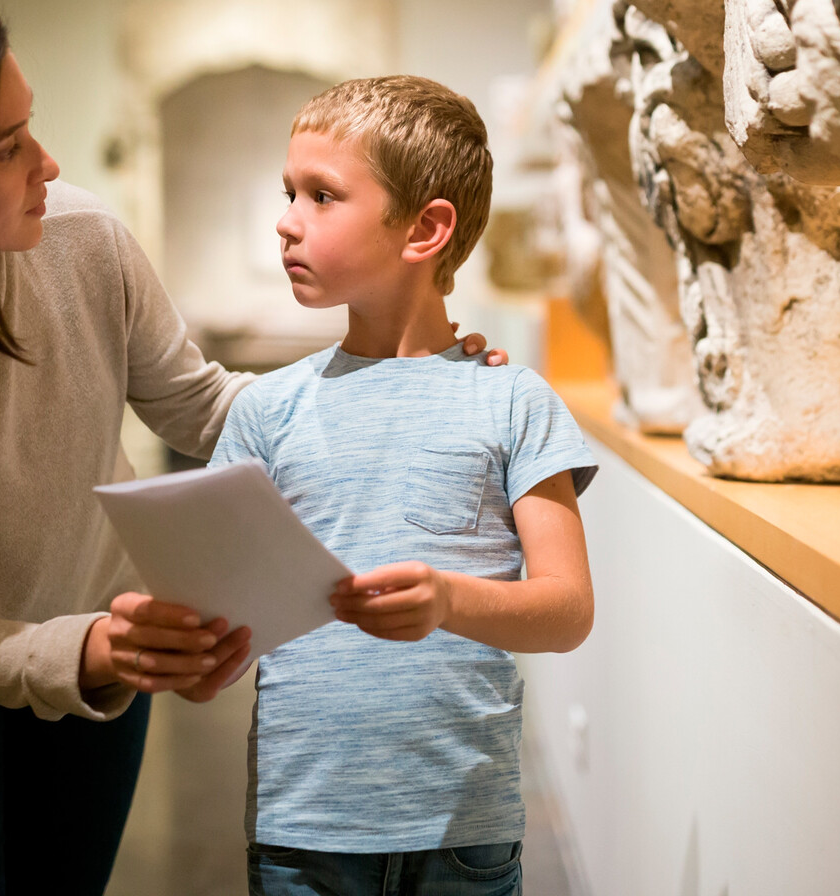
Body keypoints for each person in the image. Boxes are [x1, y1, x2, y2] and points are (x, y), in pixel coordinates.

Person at [0, 0, 504, 894]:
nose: (48, 162)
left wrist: (409, 387)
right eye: (7, 146)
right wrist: (100, 650)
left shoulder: (83, 238)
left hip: (103, 643)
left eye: (32, 127)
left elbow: (202, 407)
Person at [195, 75, 597, 896]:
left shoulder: (513, 400)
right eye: (289, 193)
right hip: (304, 830)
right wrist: (198, 651)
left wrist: (449, 601)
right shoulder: (265, 413)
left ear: (426, 228)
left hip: (462, 833)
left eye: (322, 195)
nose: (286, 219)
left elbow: (567, 610)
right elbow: (219, 625)